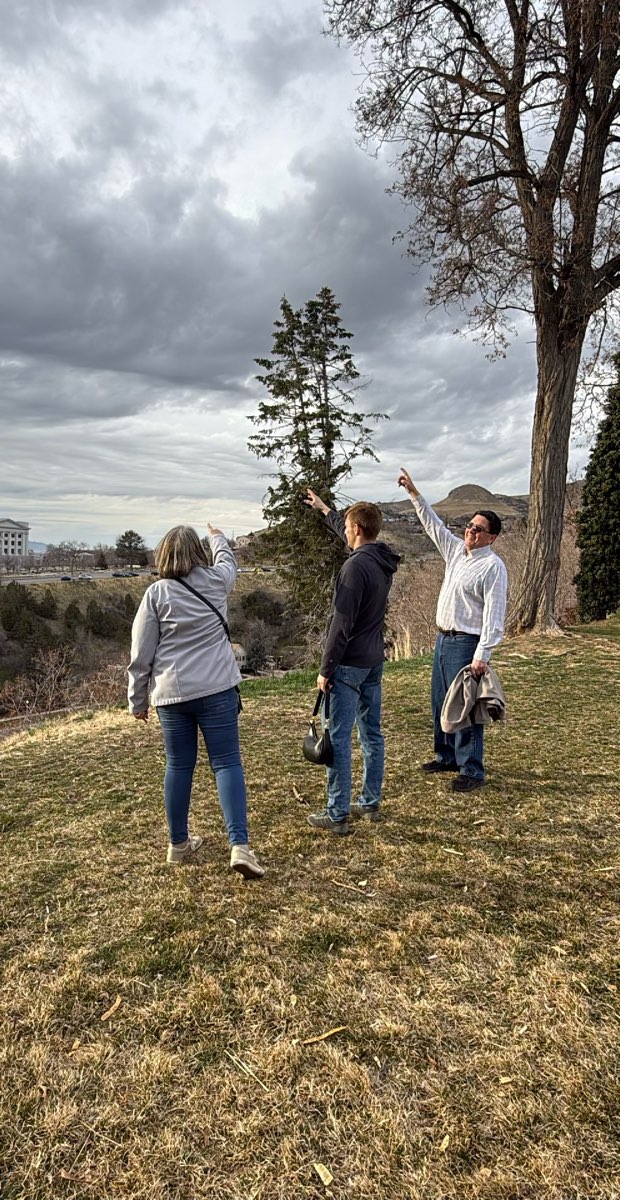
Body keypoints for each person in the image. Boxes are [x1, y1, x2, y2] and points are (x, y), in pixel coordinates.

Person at [127, 523, 264, 878]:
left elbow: (141, 653)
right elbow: (228, 562)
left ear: (163, 555)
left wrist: (137, 699)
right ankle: (239, 846)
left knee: (178, 766)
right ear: (198, 553)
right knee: (227, 763)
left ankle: (178, 843)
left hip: (172, 693)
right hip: (217, 688)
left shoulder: (156, 594)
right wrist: (217, 536)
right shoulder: (217, 581)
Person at [397, 466, 508, 792]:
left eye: (478, 529)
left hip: (466, 643)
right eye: (470, 526)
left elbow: (494, 614)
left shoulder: (493, 567)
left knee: (466, 706)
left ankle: (472, 769)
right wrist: (414, 493)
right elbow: (433, 524)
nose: (471, 531)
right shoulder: (457, 552)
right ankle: (445, 757)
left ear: (491, 537)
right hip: (443, 639)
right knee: (439, 702)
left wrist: (482, 655)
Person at [304, 488, 400, 833]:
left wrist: (325, 669)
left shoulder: (354, 567)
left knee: (339, 738)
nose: (344, 531)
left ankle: (337, 814)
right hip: (373, 660)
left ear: (357, 529)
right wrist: (325, 510)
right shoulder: (381, 560)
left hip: (347, 667)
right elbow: (349, 533)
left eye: (347, 526)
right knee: (371, 734)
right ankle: (370, 803)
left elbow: (340, 625)